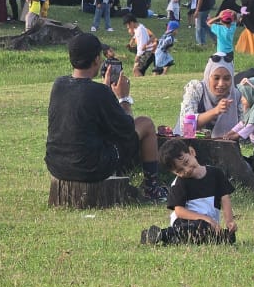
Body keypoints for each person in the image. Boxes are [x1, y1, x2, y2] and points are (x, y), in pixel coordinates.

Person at [44, 33, 167, 201]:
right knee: (144, 124)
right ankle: (152, 188)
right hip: (91, 168)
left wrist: (106, 92)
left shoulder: (59, 84)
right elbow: (126, 129)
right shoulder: (98, 92)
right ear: (96, 59)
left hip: (56, 164)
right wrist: (123, 98)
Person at [140, 141, 236, 246]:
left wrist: (229, 221)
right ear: (174, 172)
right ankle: (161, 234)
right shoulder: (179, 183)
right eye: (179, 170)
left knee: (228, 238)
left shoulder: (216, 174)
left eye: (186, 162)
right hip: (185, 221)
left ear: (192, 152)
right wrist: (205, 219)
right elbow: (179, 211)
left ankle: (178, 239)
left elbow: (225, 198)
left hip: (209, 224)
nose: (187, 170)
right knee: (201, 227)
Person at [178, 56, 242, 138]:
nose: (221, 84)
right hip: (190, 146)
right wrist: (215, 111)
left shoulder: (236, 95)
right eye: (216, 78)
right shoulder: (196, 89)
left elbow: (245, 125)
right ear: (208, 76)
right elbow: (187, 128)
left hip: (224, 148)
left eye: (226, 78)